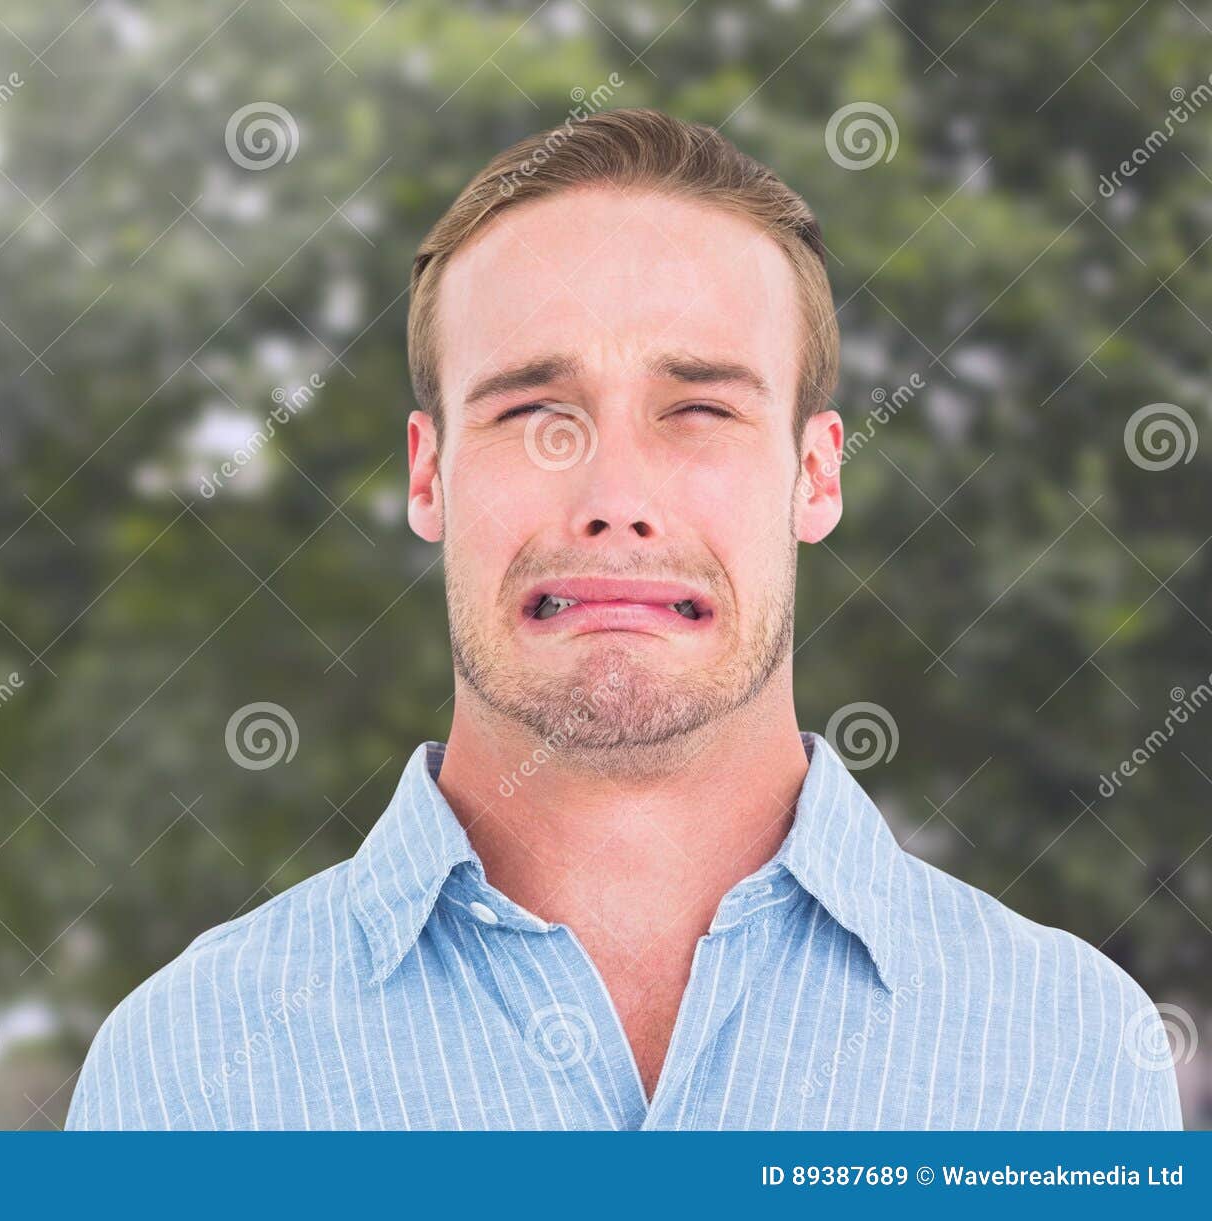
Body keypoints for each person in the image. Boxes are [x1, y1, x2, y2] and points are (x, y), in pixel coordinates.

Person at [66, 108, 1182, 1130]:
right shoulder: (182, 1079)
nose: (614, 501)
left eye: (697, 409)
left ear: (814, 475)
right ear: (428, 475)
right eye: (533, 411)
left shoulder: (1069, 1059)